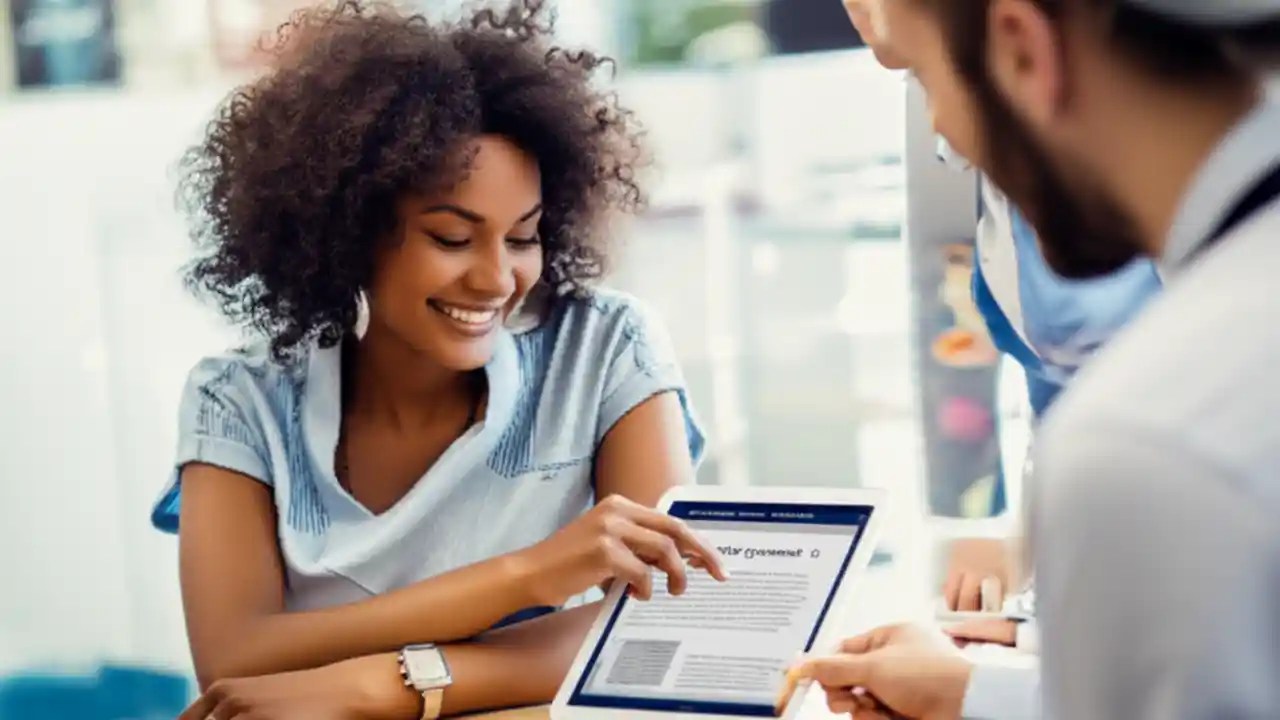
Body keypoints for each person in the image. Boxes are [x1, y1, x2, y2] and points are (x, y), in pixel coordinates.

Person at [151, 2, 729, 719]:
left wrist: (379, 685)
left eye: (523, 238)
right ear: (351, 231)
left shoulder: (604, 347)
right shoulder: (239, 402)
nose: (495, 279)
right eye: (453, 239)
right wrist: (527, 576)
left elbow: (658, 625)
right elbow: (233, 660)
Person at [801, 0, 1280, 718]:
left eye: (926, 79)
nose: (941, 131)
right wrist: (978, 695)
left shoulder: (1150, 446)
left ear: (1022, 47)